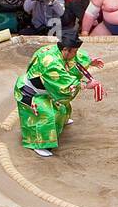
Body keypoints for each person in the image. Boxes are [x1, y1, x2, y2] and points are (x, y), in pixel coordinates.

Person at [15, 31, 105, 159]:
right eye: (73, 51)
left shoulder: (56, 50)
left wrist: (90, 61)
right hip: (32, 93)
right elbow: (64, 86)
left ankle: (61, 122)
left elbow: (76, 59)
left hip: (46, 89)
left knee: (64, 108)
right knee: (47, 115)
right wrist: (85, 85)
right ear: (65, 49)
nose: (75, 54)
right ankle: (38, 144)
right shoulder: (51, 63)